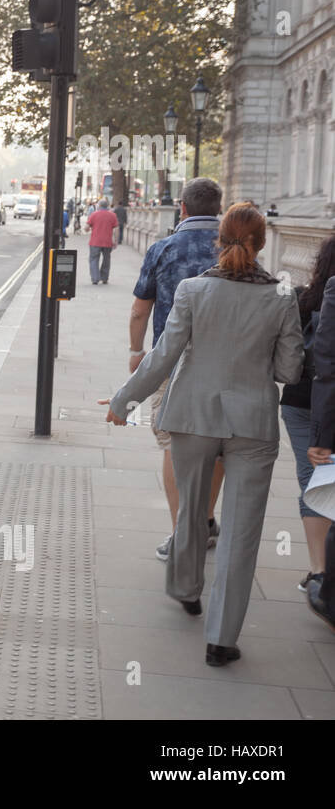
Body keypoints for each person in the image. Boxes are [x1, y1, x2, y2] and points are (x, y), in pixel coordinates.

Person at [104, 203, 304, 667]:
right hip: (252, 422)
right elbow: (290, 369)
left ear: (220, 239)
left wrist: (123, 403)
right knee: (242, 531)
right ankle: (221, 639)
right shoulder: (282, 295)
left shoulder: (193, 290)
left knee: (193, 511)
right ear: (262, 242)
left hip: (192, 415)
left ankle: (185, 590)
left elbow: (162, 356)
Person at [130, 177, 226, 560]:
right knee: (219, 444)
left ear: (182, 208)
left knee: (172, 443)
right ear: (220, 208)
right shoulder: (237, 249)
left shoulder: (164, 248)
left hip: (173, 363)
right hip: (226, 364)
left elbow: (140, 308)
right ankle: (204, 520)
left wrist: (136, 352)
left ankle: (181, 535)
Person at [280, 236, 335, 591]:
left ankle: (319, 571)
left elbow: (286, 360)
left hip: (301, 401)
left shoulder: (301, 299)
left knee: (314, 483)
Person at [84, 197, 119, 284]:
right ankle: (104, 278)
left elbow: (86, 228)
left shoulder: (94, 215)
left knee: (93, 259)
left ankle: (95, 278)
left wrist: (88, 229)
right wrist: (115, 241)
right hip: (107, 242)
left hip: (95, 241)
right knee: (106, 259)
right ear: (107, 206)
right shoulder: (112, 215)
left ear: (99, 205)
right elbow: (116, 229)